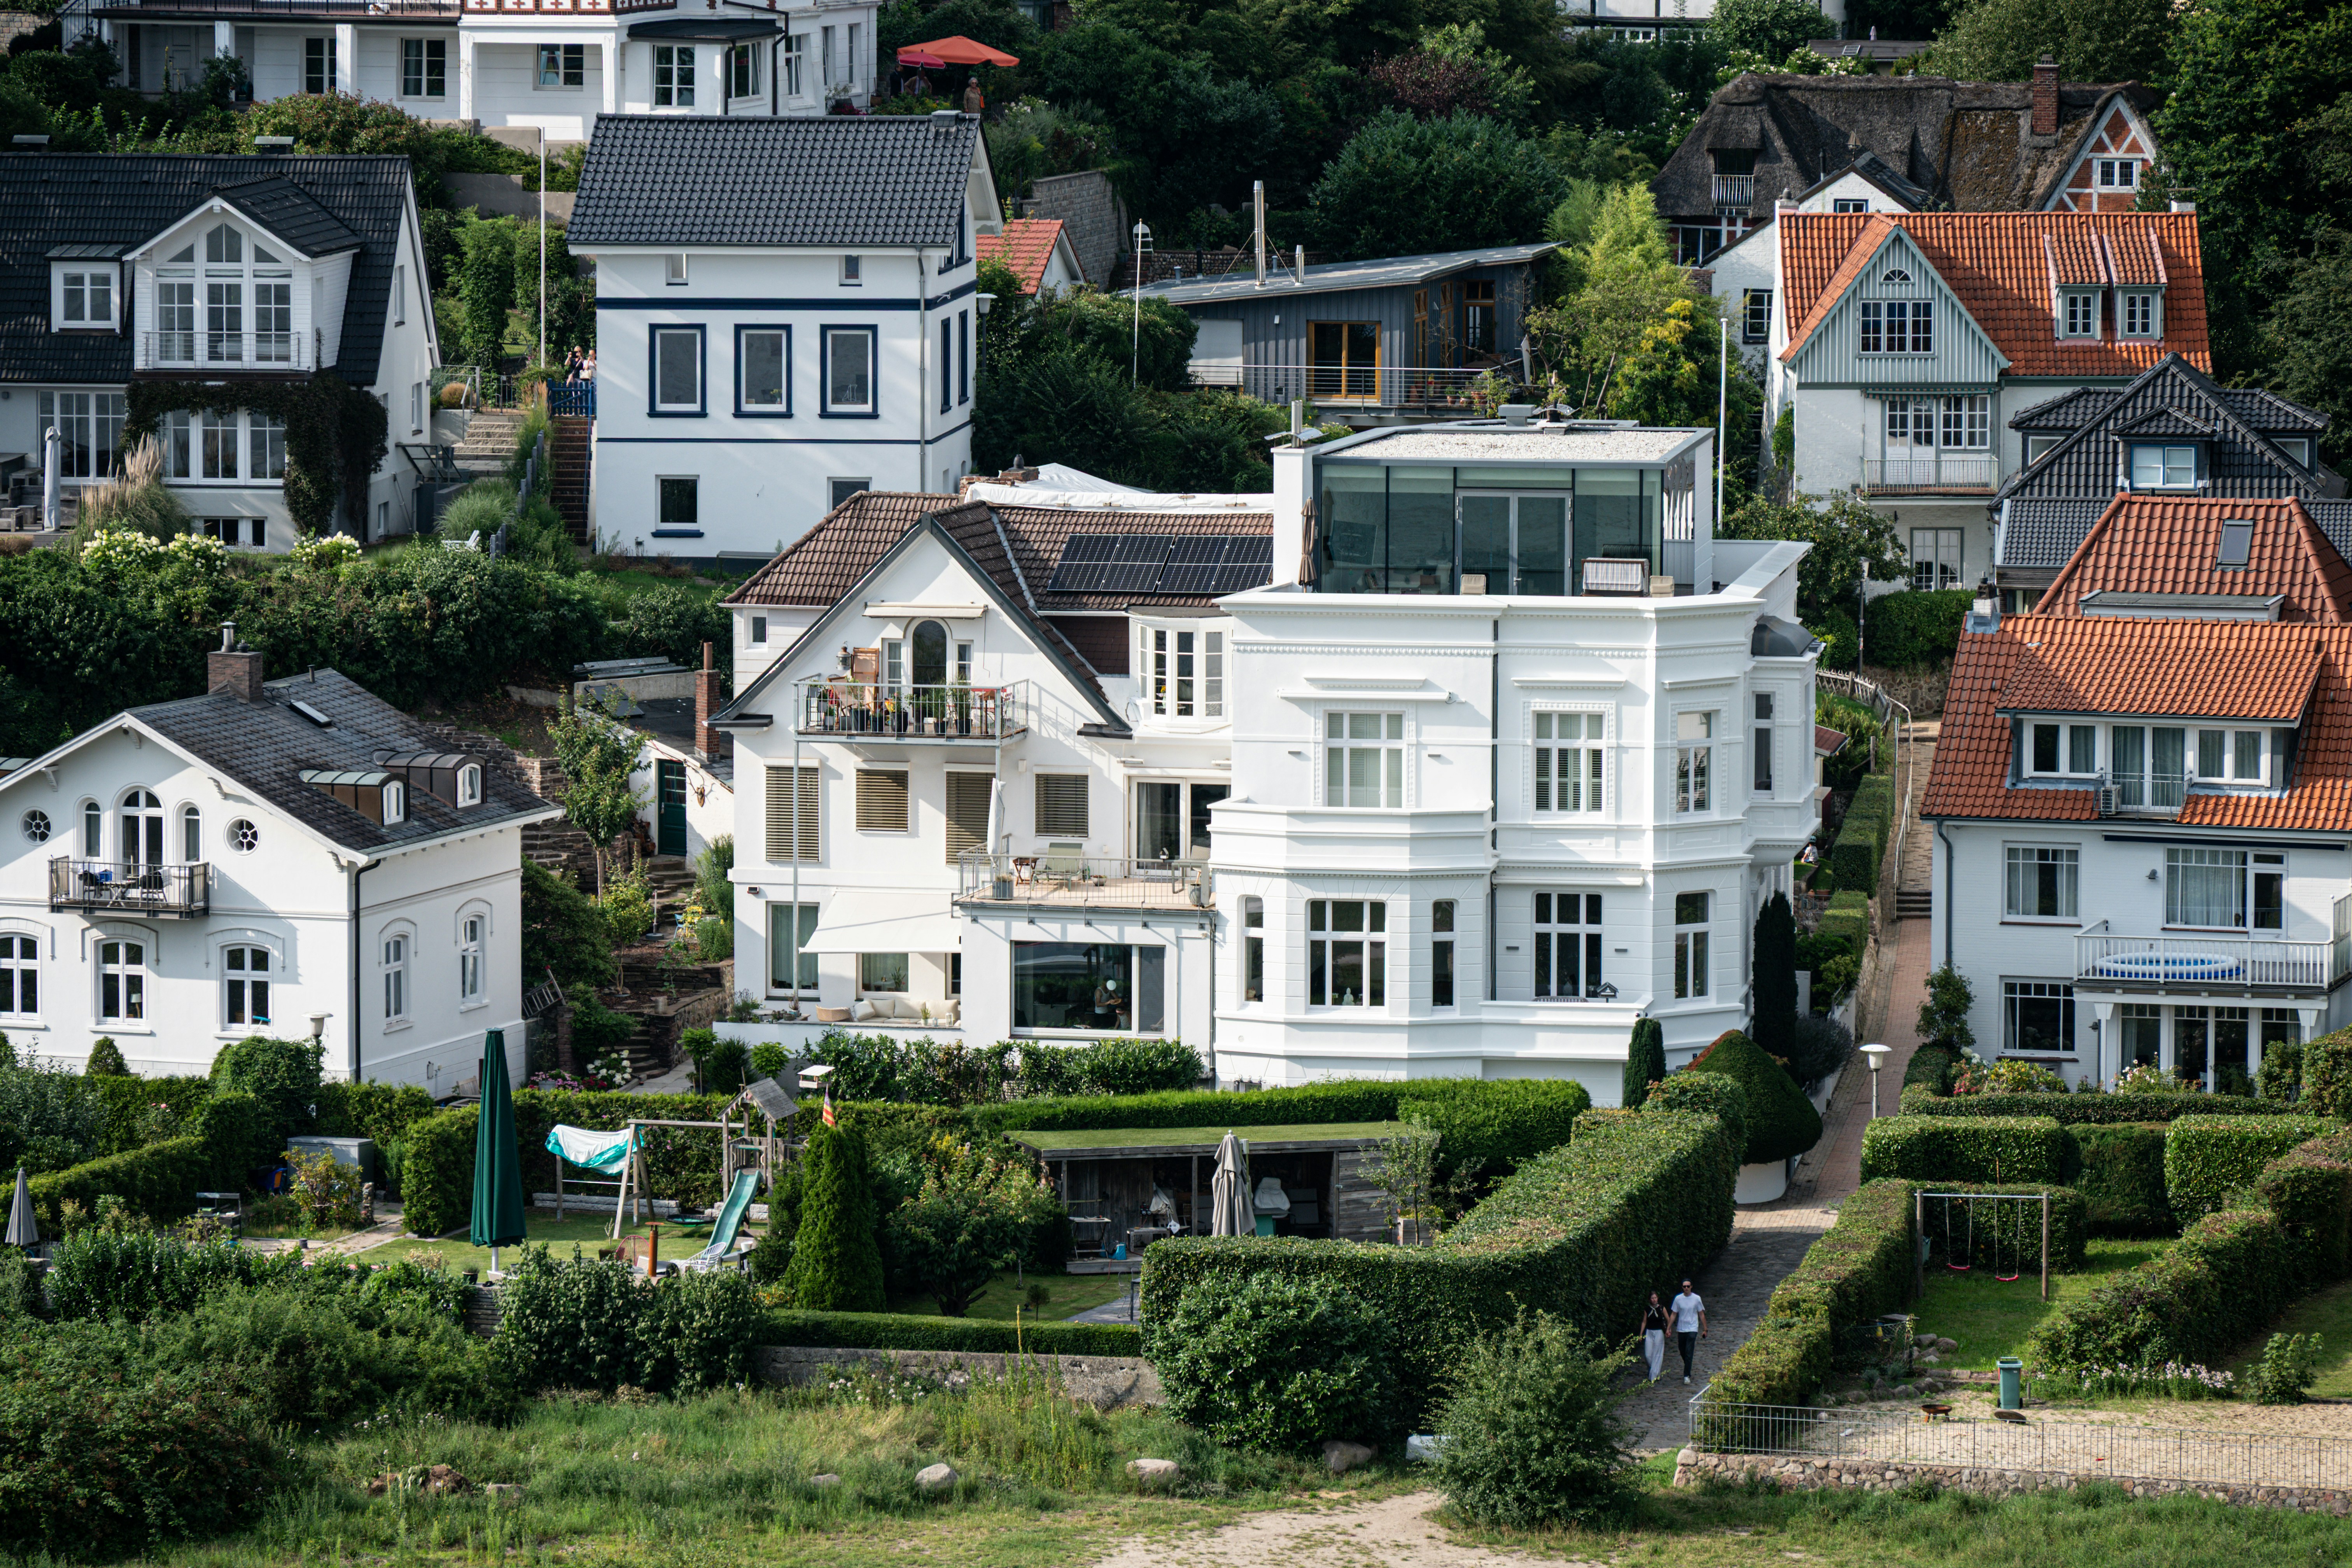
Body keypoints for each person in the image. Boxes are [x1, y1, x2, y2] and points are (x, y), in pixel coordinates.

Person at [1670, 1278, 1708, 1384]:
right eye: (1684, 1286)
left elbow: (1701, 1314)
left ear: (1691, 1287)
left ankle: (1687, 1375)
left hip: (1693, 1328)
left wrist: (1705, 1328)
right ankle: (1688, 1364)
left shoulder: (1697, 1299)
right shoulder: (1678, 1299)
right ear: (1682, 1288)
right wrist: (1669, 1328)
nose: (1686, 1288)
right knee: (1683, 1351)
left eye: (1688, 1286)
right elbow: (1674, 1314)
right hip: (1682, 1329)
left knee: (1689, 1351)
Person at [1641, 1291, 1670, 1382]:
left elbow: (1668, 1319)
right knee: (1648, 1355)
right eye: (1652, 1298)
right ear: (1650, 1299)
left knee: (1658, 1354)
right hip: (1649, 1332)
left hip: (1659, 1332)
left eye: (1656, 1298)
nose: (1654, 1300)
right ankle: (1653, 1370)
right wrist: (1641, 1334)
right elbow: (1644, 1322)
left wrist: (1668, 1330)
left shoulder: (1662, 1308)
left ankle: (1655, 1375)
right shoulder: (1647, 1309)